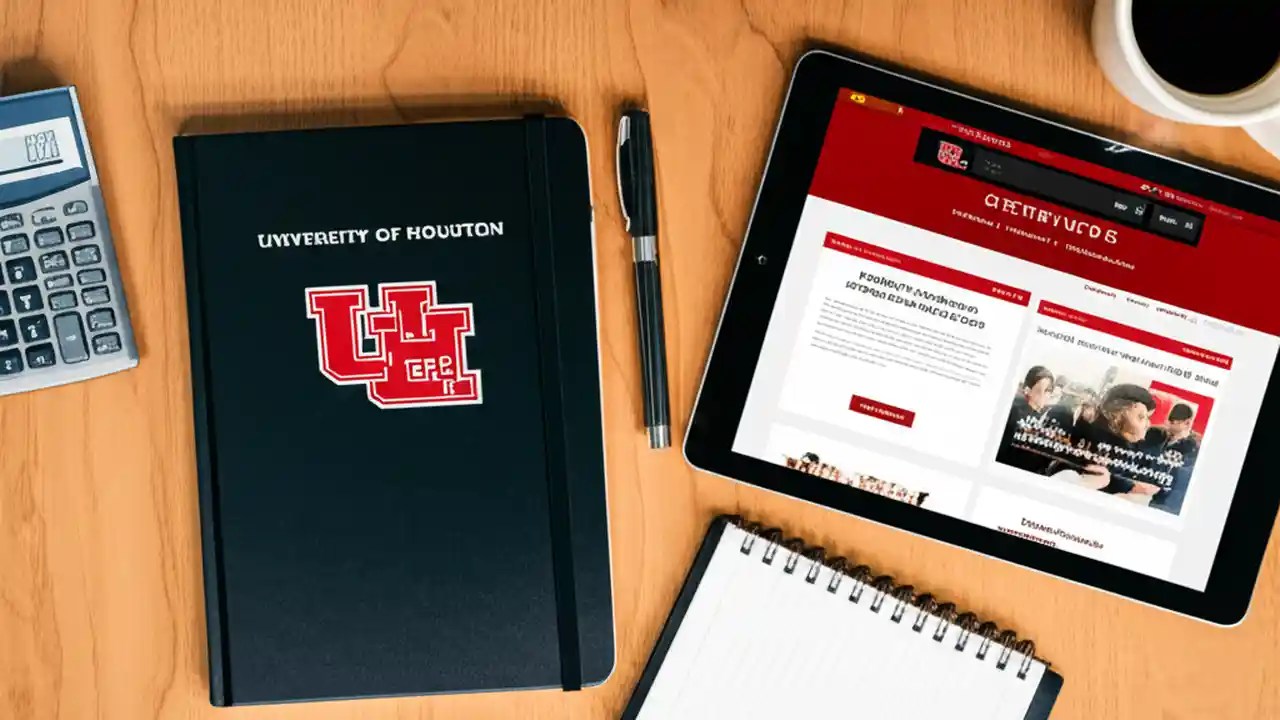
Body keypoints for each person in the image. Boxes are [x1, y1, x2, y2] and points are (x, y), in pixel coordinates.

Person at [1064, 383, 1162, 499]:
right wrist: (1129, 486)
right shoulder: (1098, 439)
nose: (1147, 424)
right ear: (1118, 413)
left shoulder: (1126, 445)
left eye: (1147, 417)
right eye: (1141, 417)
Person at [995, 366, 1056, 473]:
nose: (1048, 395)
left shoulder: (1041, 416)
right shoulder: (1014, 412)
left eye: (1050, 391)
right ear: (1028, 390)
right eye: (1045, 390)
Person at [1143, 403, 1200, 514]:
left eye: (1174, 422)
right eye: (1169, 421)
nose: (1168, 424)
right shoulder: (1159, 435)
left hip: (1170, 501)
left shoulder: (1193, 447)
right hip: (1151, 493)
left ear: (1187, 423)